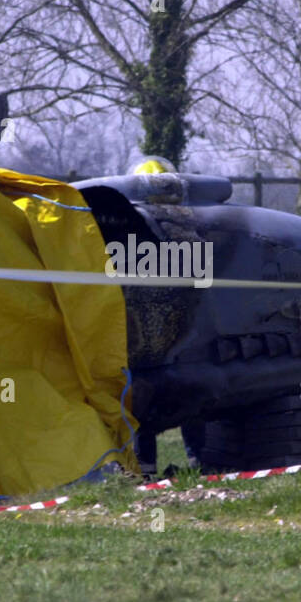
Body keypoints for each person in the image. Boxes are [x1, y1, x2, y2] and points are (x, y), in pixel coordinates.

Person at [126, 154, 205, 472]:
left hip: (155, 341)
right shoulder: (188, 231)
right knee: (177, 400)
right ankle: (192, 461)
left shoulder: (180, 232)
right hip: (171, 340)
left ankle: (151, 468)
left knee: (147, 402)